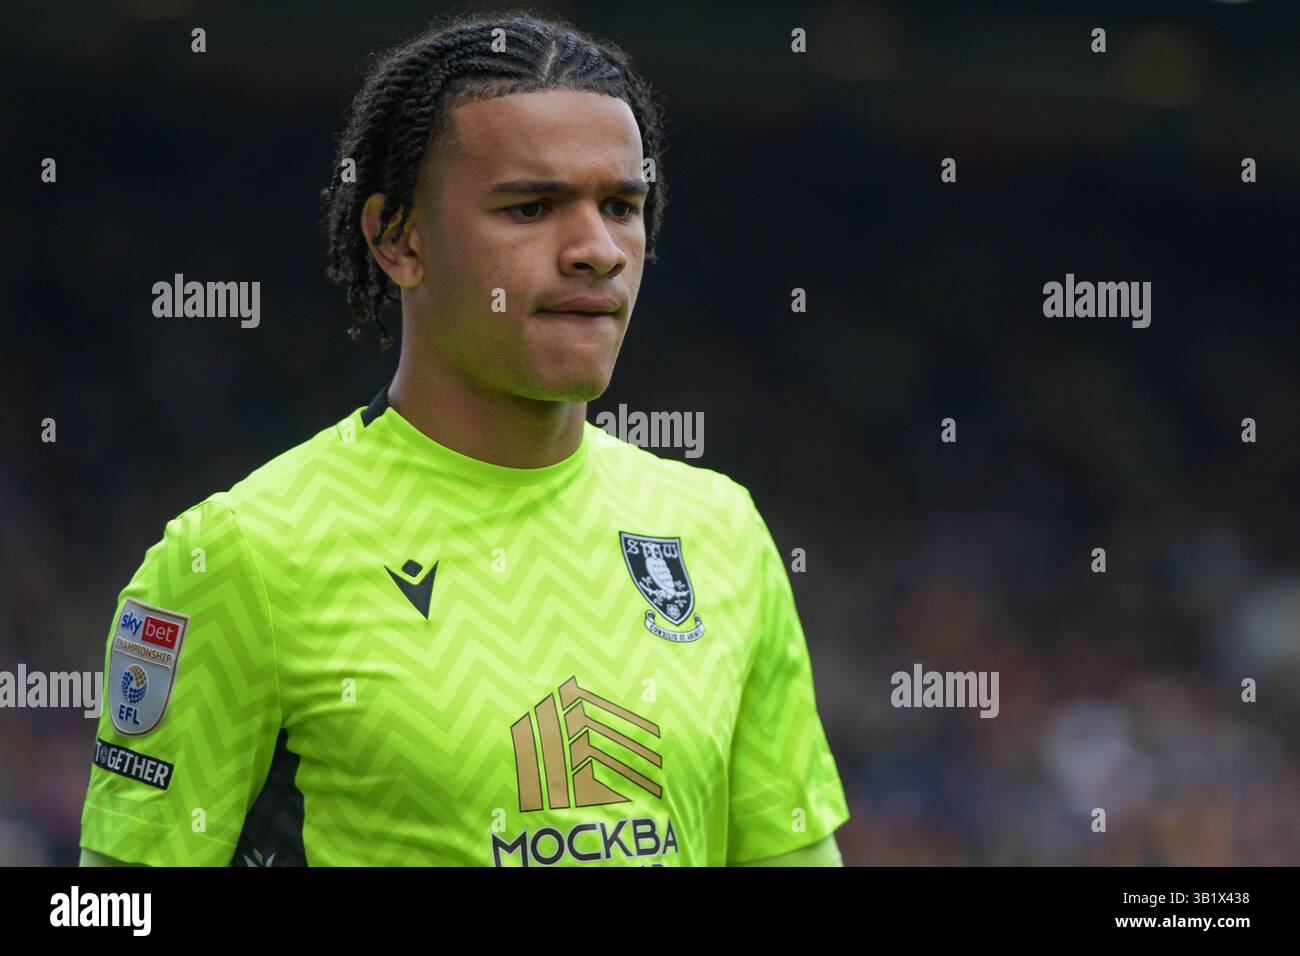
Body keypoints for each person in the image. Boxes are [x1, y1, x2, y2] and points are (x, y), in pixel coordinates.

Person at [79, 10, 848, 867]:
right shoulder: (242, 555)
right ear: (398, 239)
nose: (598, 249)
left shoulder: (720, 534)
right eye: (531, 206)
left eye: (622, 206)